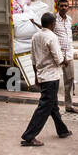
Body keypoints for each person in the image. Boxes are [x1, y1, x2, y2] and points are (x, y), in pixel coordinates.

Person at [19, 12, 71, 146]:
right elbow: (58, 59)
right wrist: (66, 62)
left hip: (42, 75)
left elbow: (33, 59)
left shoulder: (35, 36)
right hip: (52, 77)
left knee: (53, 106)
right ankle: (29, 136)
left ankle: (62, 130)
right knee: (44, 108)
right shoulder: (52, 37)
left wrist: (36, 75)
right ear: (53, 24)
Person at [53, 0, 78, 113]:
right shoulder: (53, 20)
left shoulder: (69, 19)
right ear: (57, 7)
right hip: (56, 56)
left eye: (65, 6)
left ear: (68, 7)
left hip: (68, 55)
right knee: (53, 82)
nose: (63, 7)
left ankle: (69, 106)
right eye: (61, 5)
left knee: (69, 80)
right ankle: (52, 107)